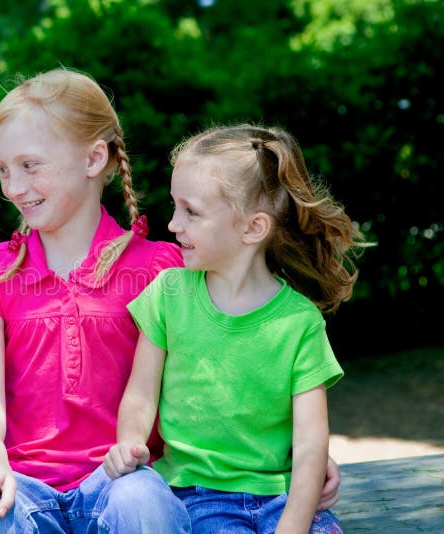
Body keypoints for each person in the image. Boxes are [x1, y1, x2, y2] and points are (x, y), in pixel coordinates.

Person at [0, 70, 340, 534]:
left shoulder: (165, 269)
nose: (12, 187)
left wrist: (303, 448)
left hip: (126, 479)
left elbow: (224, 368)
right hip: (24, 482)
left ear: (94, 158)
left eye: (29, 166)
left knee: (142, 503)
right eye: (3, 169)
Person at [104, 123, 367, 533]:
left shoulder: (298, 322)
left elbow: (312, 442)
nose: (173, 224)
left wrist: (293, 526)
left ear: (253, 228)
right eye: (175, 207)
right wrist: (130, 440)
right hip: (197, 497)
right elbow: (140, 393)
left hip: (283, 498)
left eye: (191, 211)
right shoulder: (168, 295)